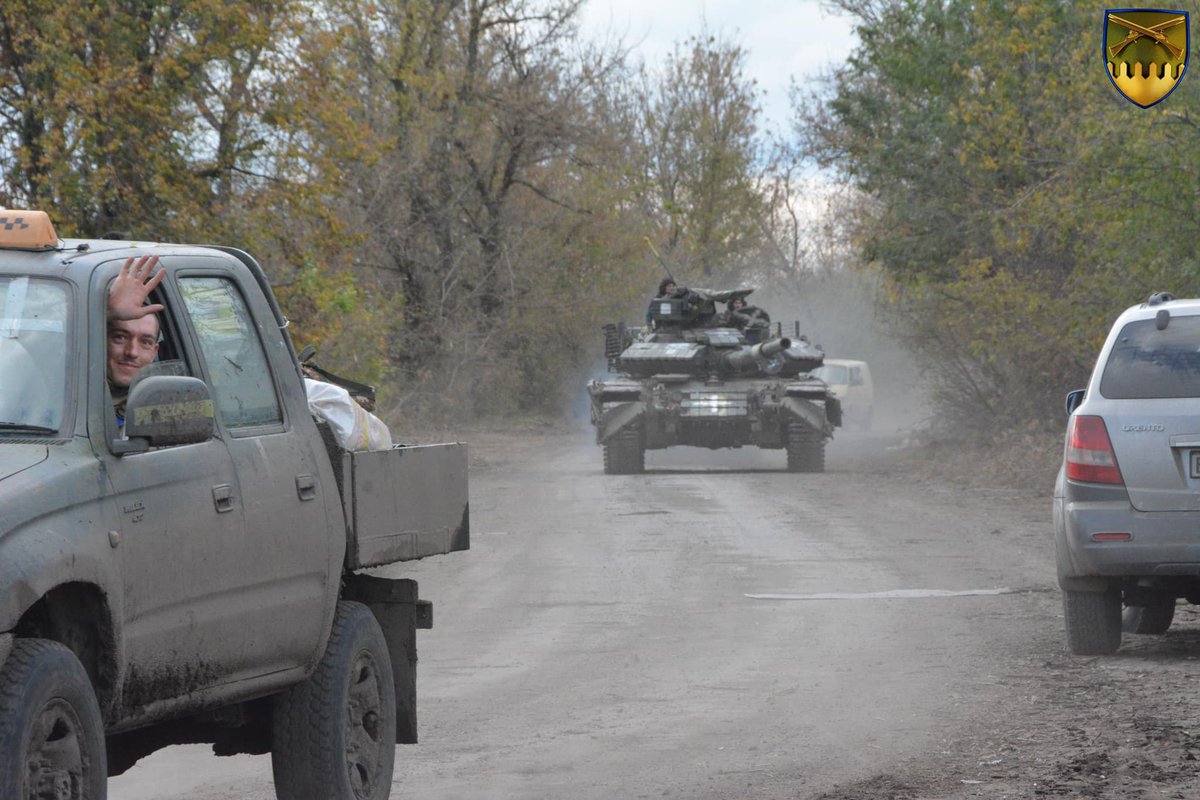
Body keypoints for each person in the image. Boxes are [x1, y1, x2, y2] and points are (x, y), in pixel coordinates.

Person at [107, 255, 164, 424]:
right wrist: (108, 313)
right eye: (120, 337)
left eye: (145, 342)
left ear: (155, 352)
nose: (131, 352)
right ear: (102, 340)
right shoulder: (63, 396)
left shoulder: (161, 411)